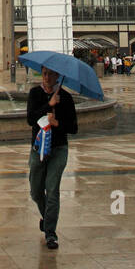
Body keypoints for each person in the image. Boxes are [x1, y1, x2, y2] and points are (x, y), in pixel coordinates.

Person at [27, 64, 78, 250]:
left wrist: (57, 123)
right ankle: (47, 218)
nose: (46, 77)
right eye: (44, 73)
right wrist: (48, 105)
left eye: (50, 74)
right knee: (35, 190)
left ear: (57, 76)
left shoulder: (66, 97)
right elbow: (30, 119)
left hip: (58, 149)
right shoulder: (35, 94)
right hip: (38, 149)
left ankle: (51, 233)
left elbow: (73, 127)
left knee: (52, 189)